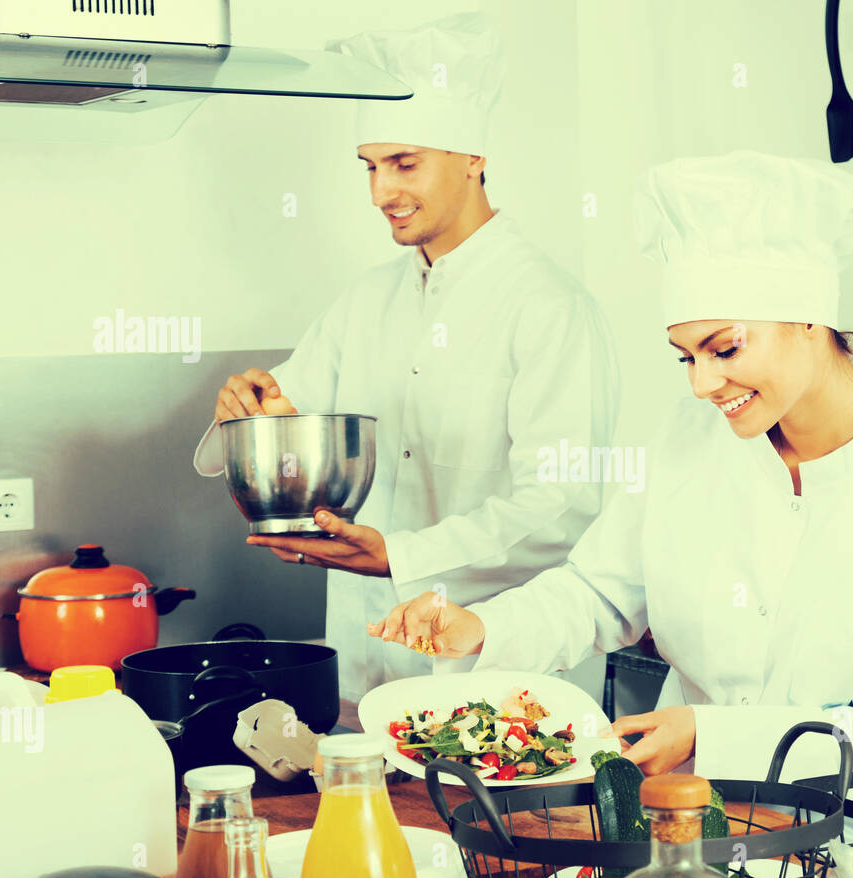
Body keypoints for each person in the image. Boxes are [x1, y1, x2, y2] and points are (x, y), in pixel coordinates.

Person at [369, 150, 853, 786]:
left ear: (810, 317)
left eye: (724, 349)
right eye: (686, 357)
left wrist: (711, 733)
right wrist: (483, 626)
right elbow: (600, 591)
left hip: (850, 849)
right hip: (682, 824)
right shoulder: (688, 434)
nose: (703, 384)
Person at [193, 14, 620, 701]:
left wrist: (402, 556)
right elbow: (289, 430)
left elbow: (562, 507)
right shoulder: (367, 299)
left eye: (403, 164)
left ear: (474, 157)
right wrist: (253, 415)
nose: (379, 193)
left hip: (503, 682)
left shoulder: (551, 306)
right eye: (369, 166)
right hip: (367, 674)